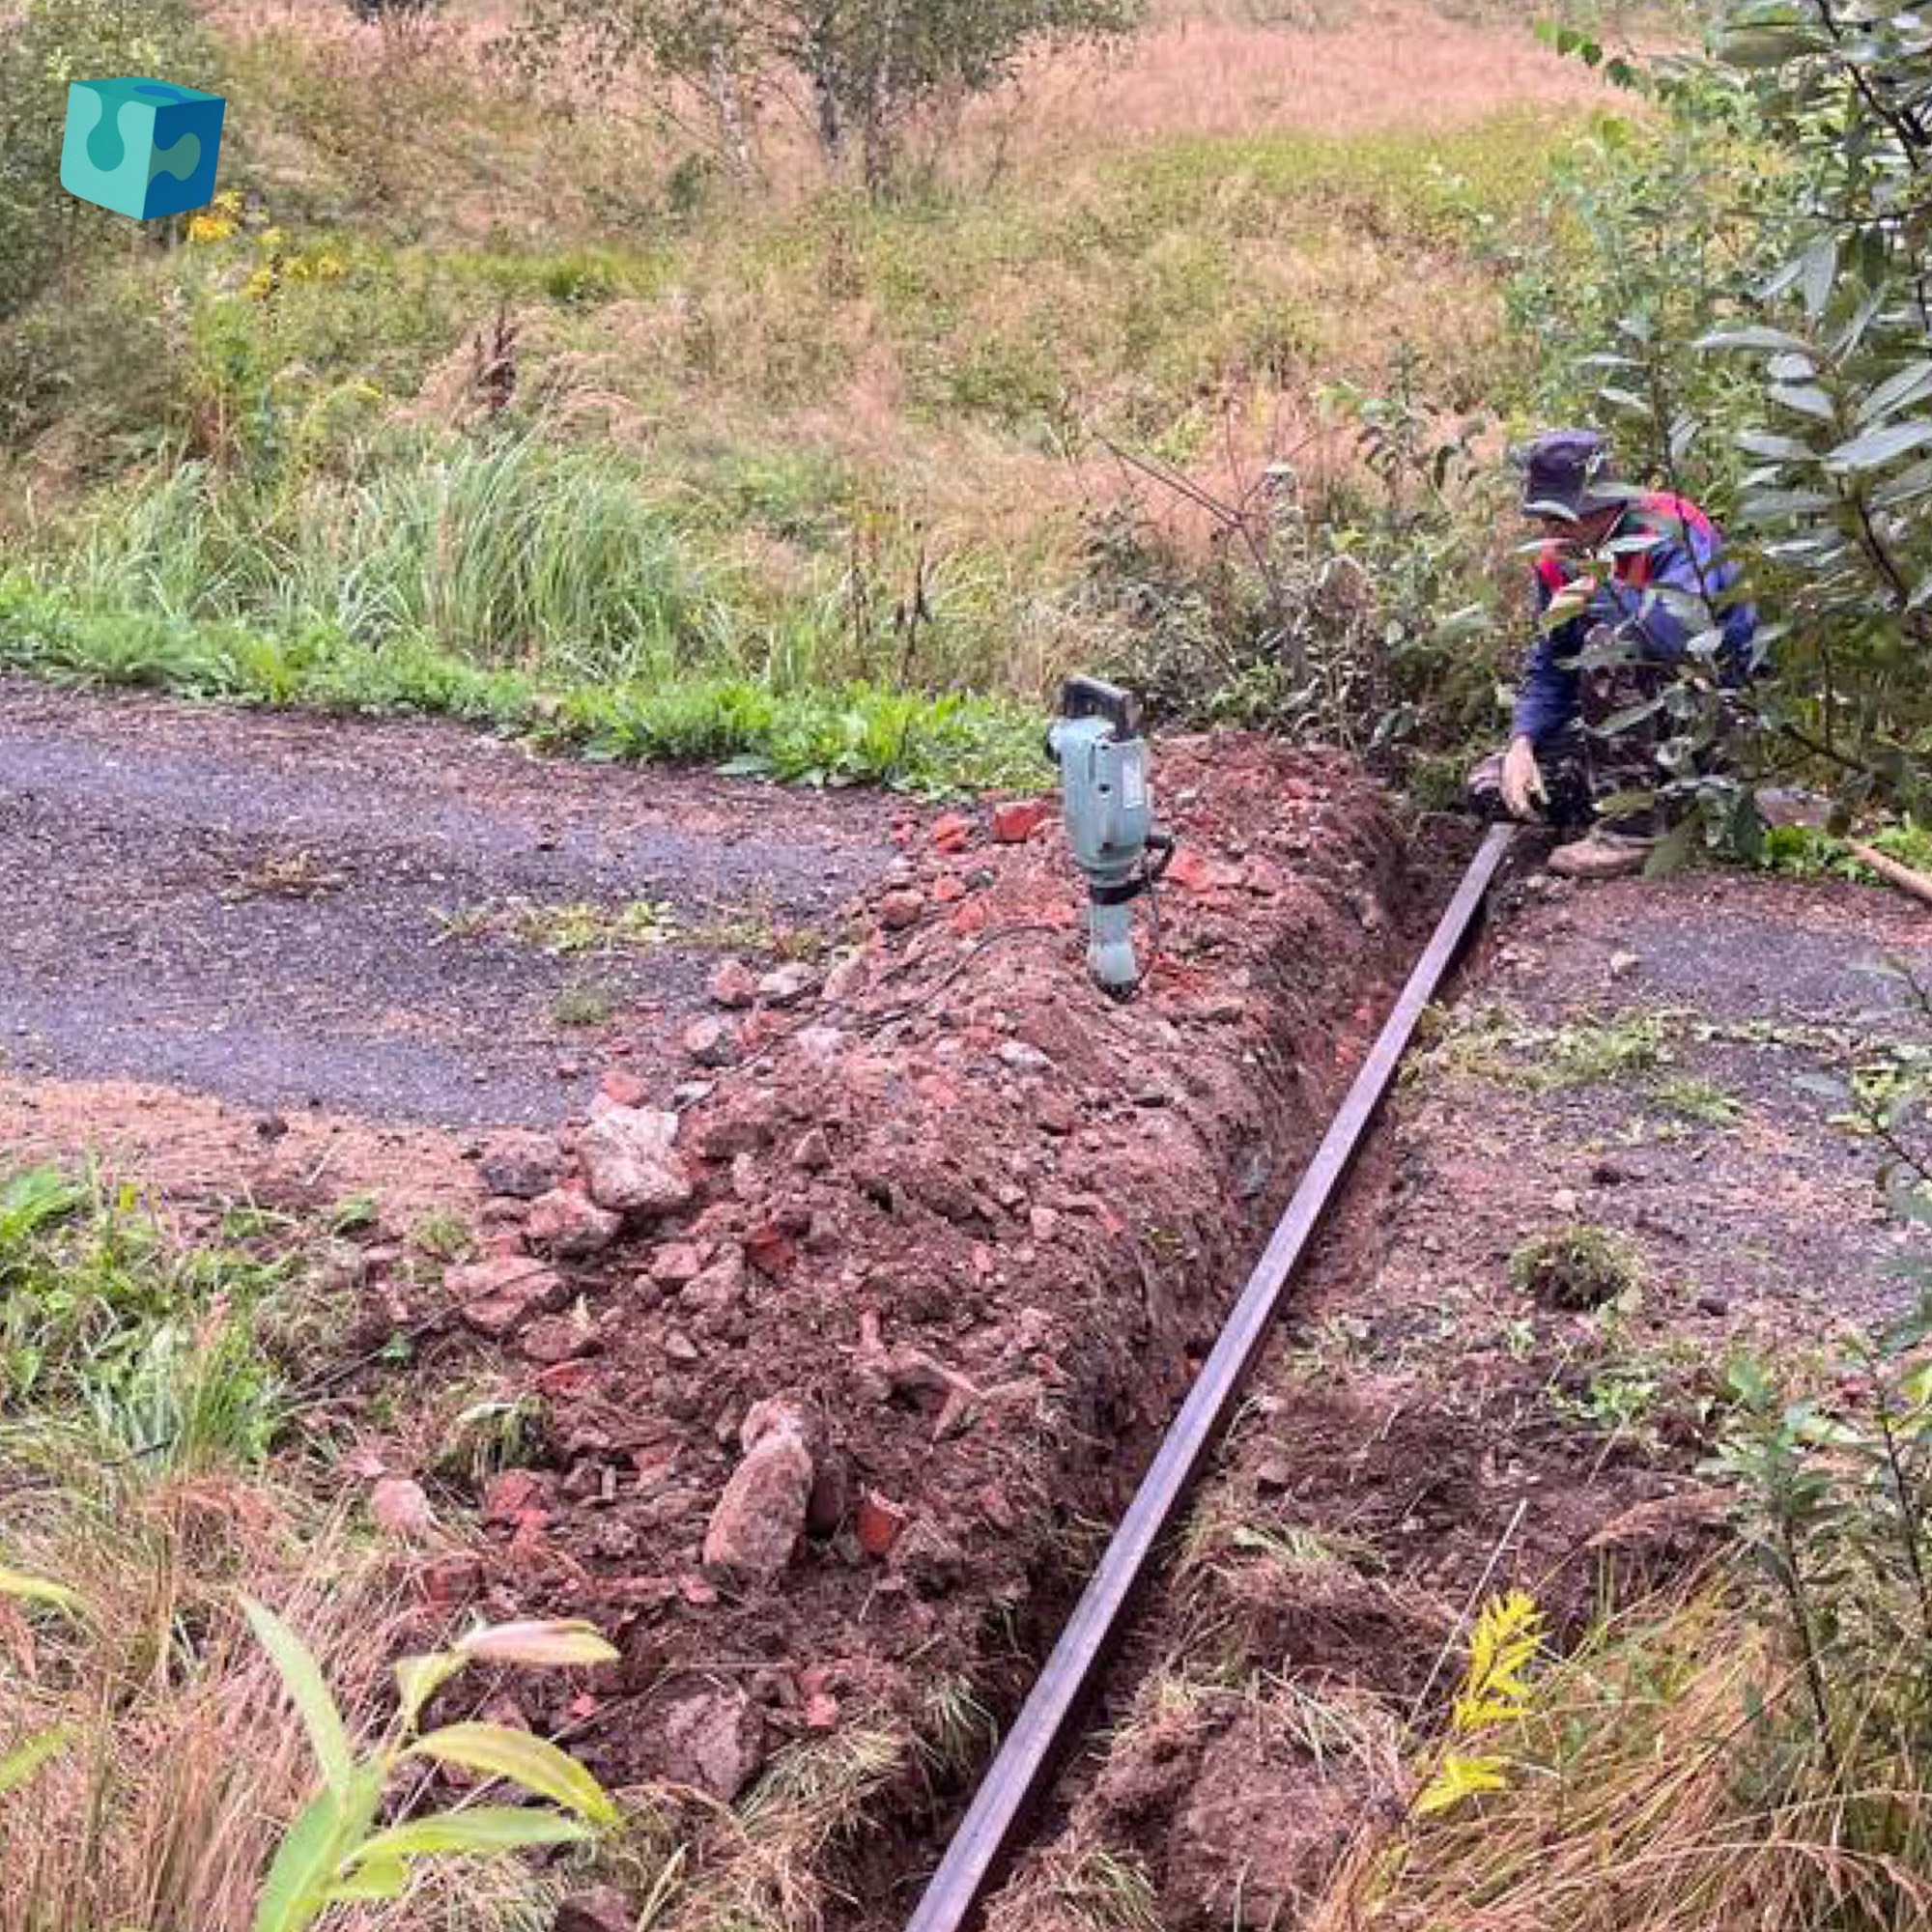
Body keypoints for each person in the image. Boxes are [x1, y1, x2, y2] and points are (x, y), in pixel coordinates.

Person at [1467, 429, 1761, 880]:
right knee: (1490, 785)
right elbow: (1552, 662)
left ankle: (1633, 830)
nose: (1553, 529)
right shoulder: (1555, 561)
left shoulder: (1669, 529)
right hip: (1628, 735)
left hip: (1707, 711)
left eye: (1563, 515)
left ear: (1605, 503)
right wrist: (1522, 740)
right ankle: (1664, 802)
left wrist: (1597, 590)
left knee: (1609, 643)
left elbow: (1681, 635)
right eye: (1546, 516)